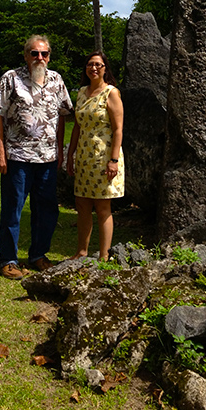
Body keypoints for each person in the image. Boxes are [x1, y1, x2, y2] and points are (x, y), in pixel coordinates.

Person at [0, 35, 73, 279]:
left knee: (46, 210)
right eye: (34, 53)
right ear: (26, 55)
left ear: (49, 56)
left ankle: (38, 255)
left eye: (44, 54)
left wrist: (59, 151)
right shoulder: (11, 78)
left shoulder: (56, 80)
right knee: (13, 209)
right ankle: (8, 259)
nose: (39, 58)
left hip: (47, 159)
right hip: (18, 157)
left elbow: (62, 116)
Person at [66, 51, 124, 261]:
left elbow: (118, 129)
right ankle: (81, 251)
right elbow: (77, 126)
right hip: (84, 156)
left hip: (104, 157)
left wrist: (113, 160)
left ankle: (104, 255)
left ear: (105, 68)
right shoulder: (82, 92)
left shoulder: (111, 93)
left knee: (102, 207)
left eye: (98, 65)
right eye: (90, 64)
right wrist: (70, 154)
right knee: (82, 204)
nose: (94, 68)